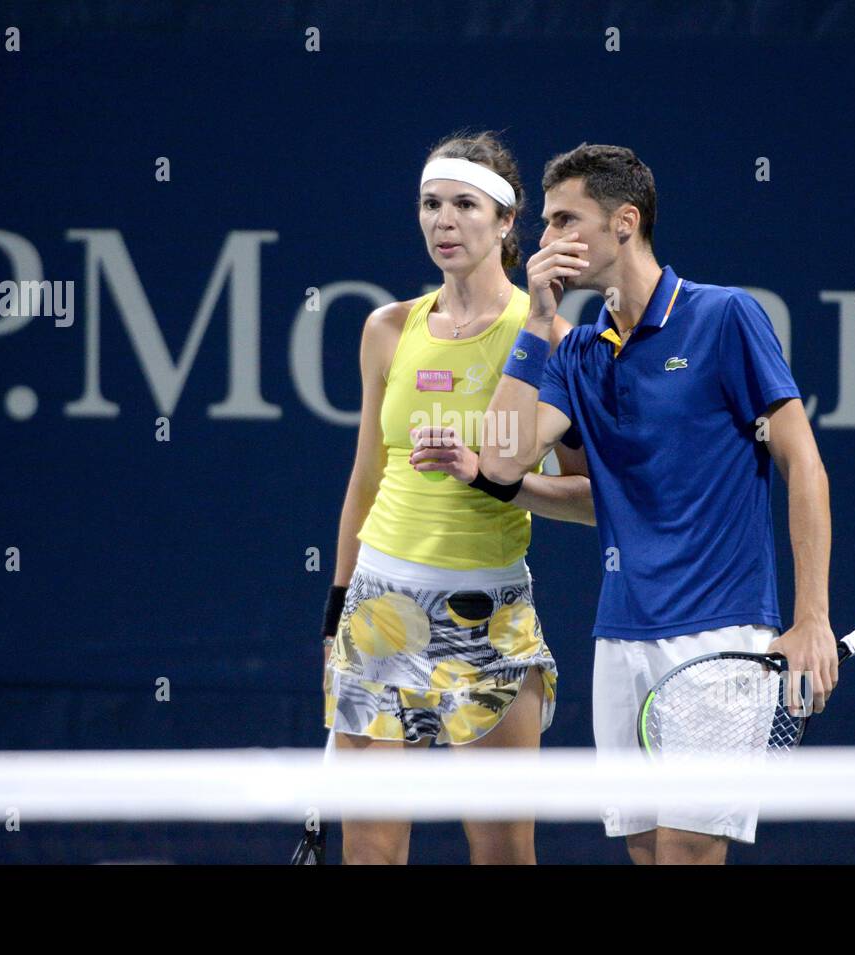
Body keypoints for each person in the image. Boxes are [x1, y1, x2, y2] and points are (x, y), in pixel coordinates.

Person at [480, 143, 836, 865]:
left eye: (562, 221)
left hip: (720, 637)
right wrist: (536, 322)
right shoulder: (579, 353)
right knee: (648, 857)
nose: (544, 241)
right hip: (619, 642)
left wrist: (812, 617)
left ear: (623, 224)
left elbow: (804, 463)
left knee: (687, 856)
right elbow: (502, 460)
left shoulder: (726, 317)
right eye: (545, 224)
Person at [322, 131, 593, 865]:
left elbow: (592, 497)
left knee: (503, 853)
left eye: (464, 205)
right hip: (378, 607)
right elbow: (366, 477)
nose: (443, 221)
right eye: (430, 204)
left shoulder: (554, 341)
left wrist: (494, 475)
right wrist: (336, 604)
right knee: (371, 851)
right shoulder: (387, 328)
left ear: (507, 223)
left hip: (492, 616)